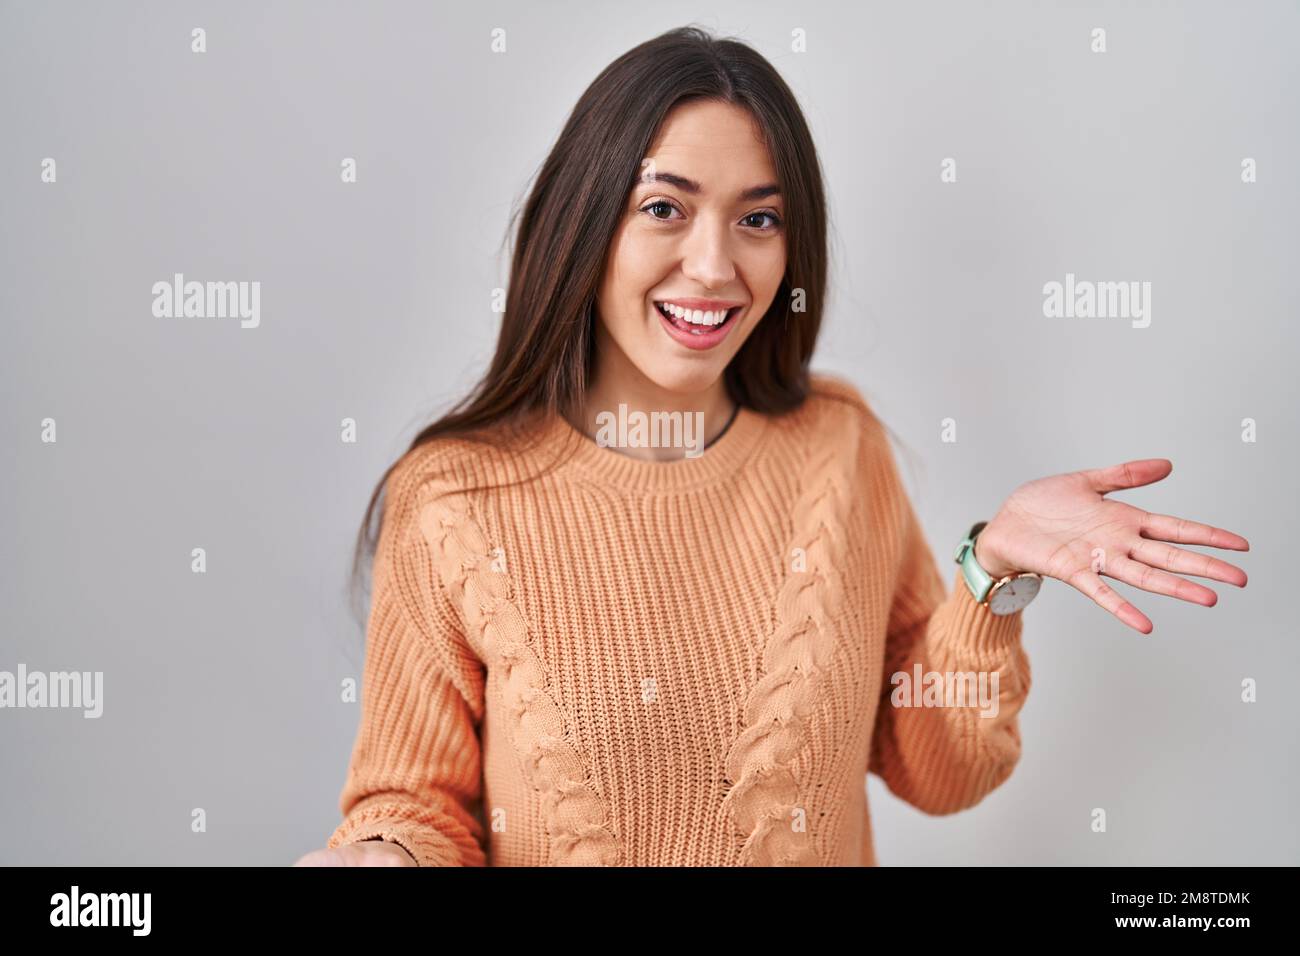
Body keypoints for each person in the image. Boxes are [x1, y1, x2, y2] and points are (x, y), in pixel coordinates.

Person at [294, 26, 1249, 867]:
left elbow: (942, 772)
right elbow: (413, 805)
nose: (714, 266)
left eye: (759, 218)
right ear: (583, 221)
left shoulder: (838, 450)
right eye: (663, 207)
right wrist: (382, 859)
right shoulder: (454, 497)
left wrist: (991, 573)